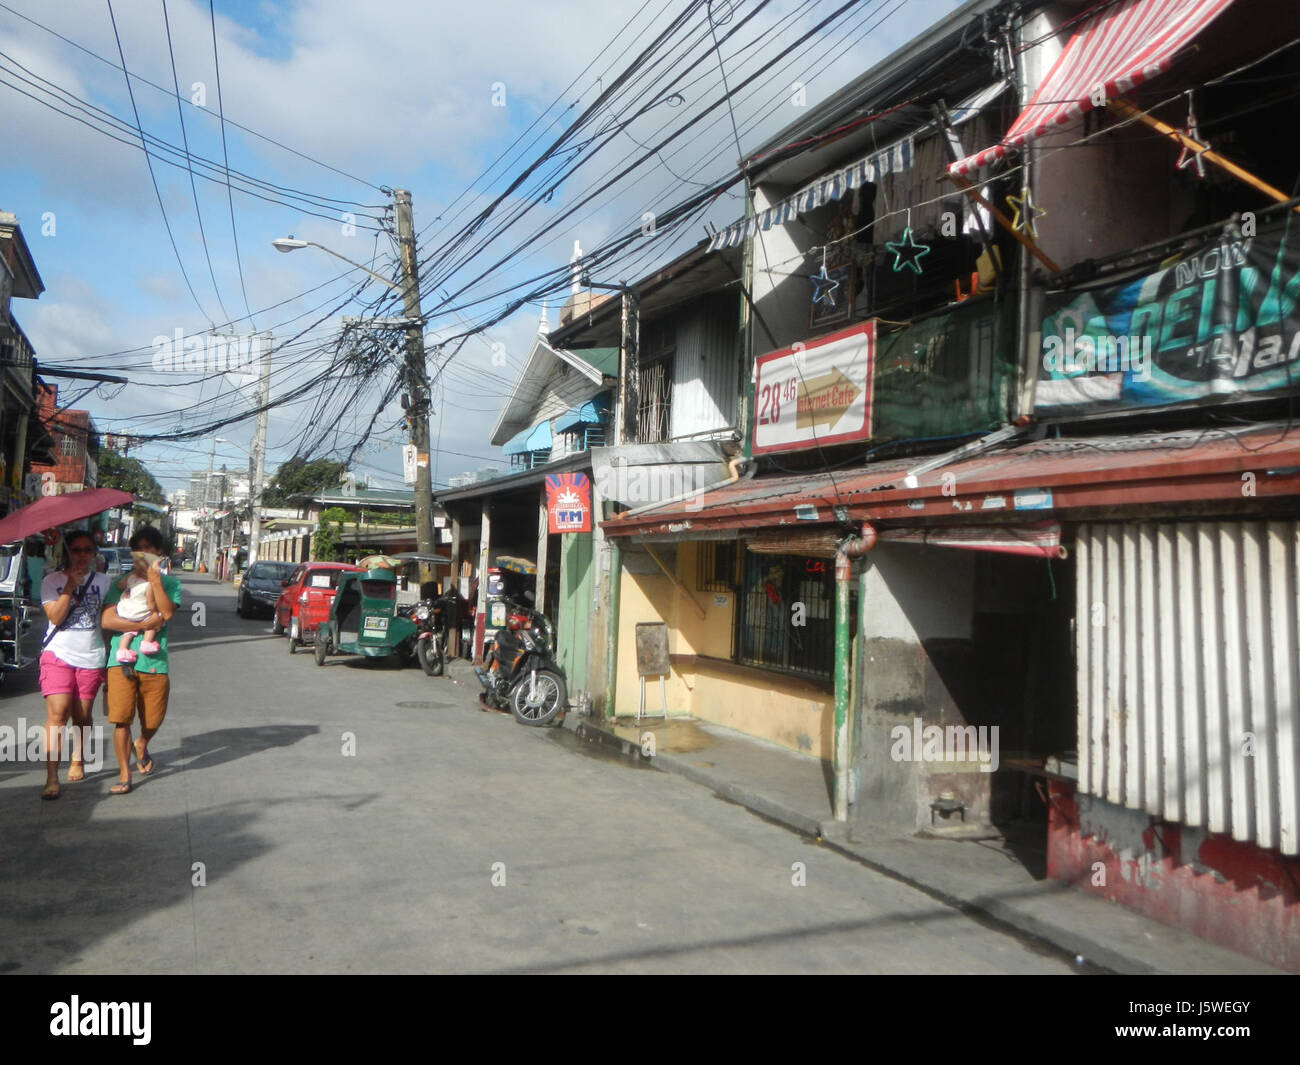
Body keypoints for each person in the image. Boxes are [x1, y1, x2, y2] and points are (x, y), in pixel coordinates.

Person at [100, 527, 181, 796]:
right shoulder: (121, 582)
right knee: (121, 719)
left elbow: (167, 614)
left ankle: (142, 743)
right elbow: (107, 620)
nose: (144, 554)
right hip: (119, 659)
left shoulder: (171, 584)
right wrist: (144, 622)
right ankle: (125, 774)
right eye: (139, 549)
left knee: (154, 718)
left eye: (150, 549)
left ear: (159, 553)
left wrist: (156, 581)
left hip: (154, 660)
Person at [38, 529, 111, 800]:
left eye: (87, 550)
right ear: (67, 551)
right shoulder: (51, 581)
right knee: (57, 714)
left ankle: (78, 757)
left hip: (90, 657)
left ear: (94, 554)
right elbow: (55, 618)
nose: (82, 555)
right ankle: (51, 777)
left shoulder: (104, 582)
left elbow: (109, 622)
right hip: (57, 654)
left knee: (81, 716)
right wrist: (70, 586)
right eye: (76, 550)